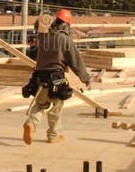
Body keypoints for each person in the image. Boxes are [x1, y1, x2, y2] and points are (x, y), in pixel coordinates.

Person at [22, 9, 91, 144]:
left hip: (39, 77)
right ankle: (54, 135)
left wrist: (44, 17)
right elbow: (75, 60)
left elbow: (38, 25)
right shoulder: (65, 39)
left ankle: (31, 123)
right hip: (56, 78)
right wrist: (86, 78)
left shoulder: (42, 36)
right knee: (56, 107)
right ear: (67, 25)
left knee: (40, 105)